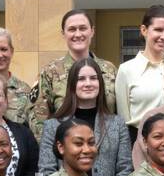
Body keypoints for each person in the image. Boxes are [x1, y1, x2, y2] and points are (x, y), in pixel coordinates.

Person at [38, 57, 132, 176]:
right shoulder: (53, 126)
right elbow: (46, 172)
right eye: (81, 79)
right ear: (72, 84)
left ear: (100, 83)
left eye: (93, 78)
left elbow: (125, 170)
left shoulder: (117, 124)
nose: (88, 83)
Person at [32, 8, 119, 140]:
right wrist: (53, 148)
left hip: (107, 146)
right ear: (63, 34)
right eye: (72, 29)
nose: (78, 34)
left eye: (83, 28)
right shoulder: (50, 72)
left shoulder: (110, 70)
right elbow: (38, 118)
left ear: (92, 31)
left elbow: (119, 113)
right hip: (65, 151)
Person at [115, 5, 164, 138]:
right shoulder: (126, 70)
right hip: (138, 141)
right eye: (158, 30)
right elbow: (122, 119)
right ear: (144, 30)